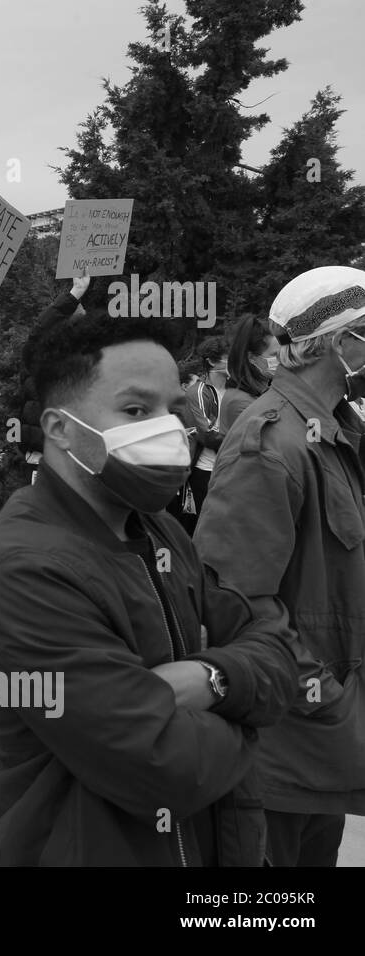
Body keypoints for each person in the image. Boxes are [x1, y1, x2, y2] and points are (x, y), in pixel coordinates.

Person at [0, 308, 298, 866]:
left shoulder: (159, 527)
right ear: (60, 429)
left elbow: (274, 642)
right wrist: (251, 708)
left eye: (173, 409)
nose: (169, 429)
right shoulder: (26, 572)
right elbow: (164, 766)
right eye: (137, 409)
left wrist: (210, 678)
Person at [195, 266, 365, 866]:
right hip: (287, 742)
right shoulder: (271, 441)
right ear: (341, 343)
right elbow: (236, 601)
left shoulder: (336, 431)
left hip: (327, 744)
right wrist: (326, 697)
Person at [16, 271, 91, 484]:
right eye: (79, 312)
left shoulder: (82, 364)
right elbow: (39, 331)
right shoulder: (38, 357)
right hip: (43, 460)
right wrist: (75, 293)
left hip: (74, 463)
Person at [178, 337, 227, 533]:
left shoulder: (237, 388)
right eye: (227, 358)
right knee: (202, 528)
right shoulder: (197, 392)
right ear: (213, 362)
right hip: (205, 472)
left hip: (230, 469)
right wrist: (238, 438)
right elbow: (207, 435)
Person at [217, 314, 279, 436]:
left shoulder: (261, 390)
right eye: (274, 355)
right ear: (252, 358)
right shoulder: (239, 402)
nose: (280, 359)